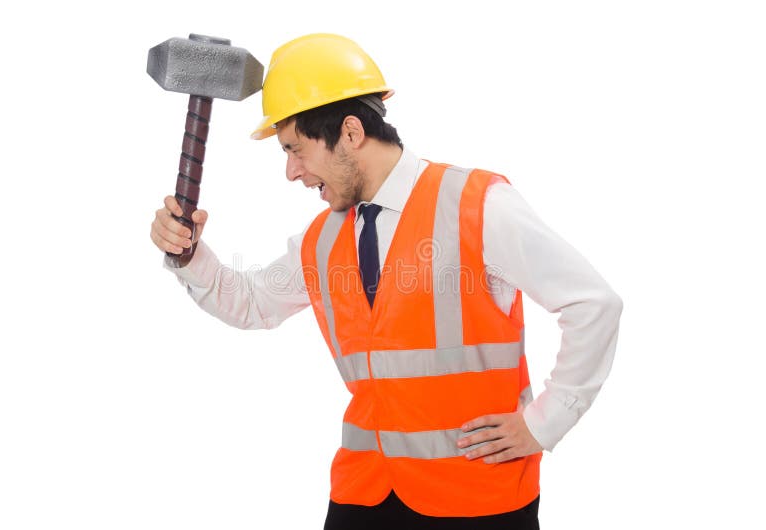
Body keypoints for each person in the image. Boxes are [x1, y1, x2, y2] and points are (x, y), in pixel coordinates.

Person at [150, 33, 622, 530]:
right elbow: (250, 303)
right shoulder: (322, 238)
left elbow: (593, 303)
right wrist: (189, 255)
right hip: (364, 495)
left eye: (295, 150)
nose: (291, 172)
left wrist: (544, 424)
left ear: (350, 133)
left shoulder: (477, 204)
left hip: (478, 496)